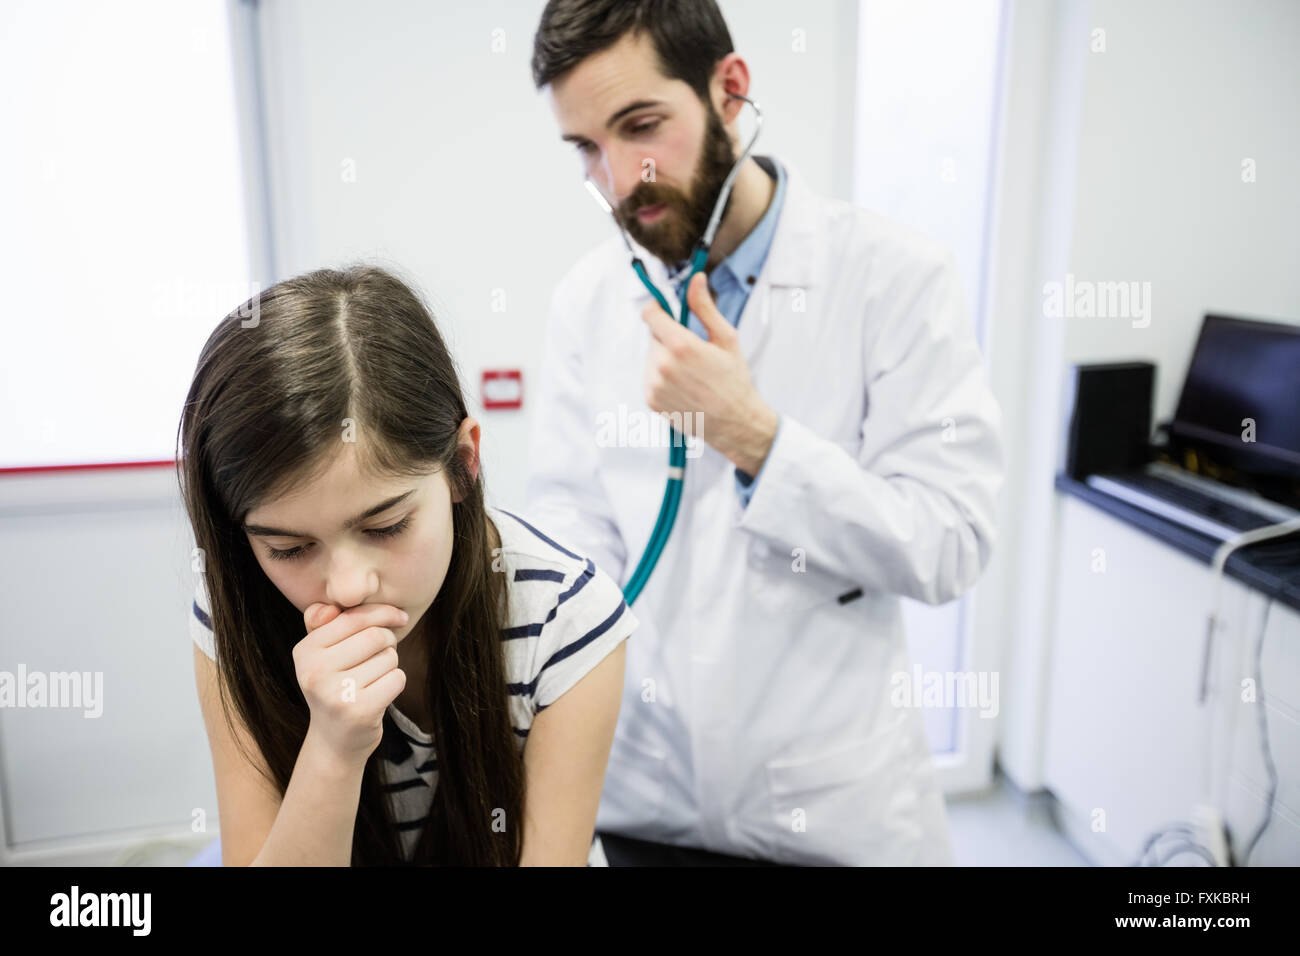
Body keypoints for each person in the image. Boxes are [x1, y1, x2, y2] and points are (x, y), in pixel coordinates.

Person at [526, 0, 1004, 865]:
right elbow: (569, 537)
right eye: (586, 149)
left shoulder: (893, 279)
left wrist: (758, 439)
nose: (619, 178)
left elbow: (952, 541)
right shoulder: (585, 302)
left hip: (835, 813)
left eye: (642, 126)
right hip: (646, 797)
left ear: (730, 90)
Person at [177, 264, 636, 865]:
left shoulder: (566, 617)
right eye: (288, 549)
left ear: (464, 464)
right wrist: (333, 752)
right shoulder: (232, 609)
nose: (347, 586)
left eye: (385, 526)